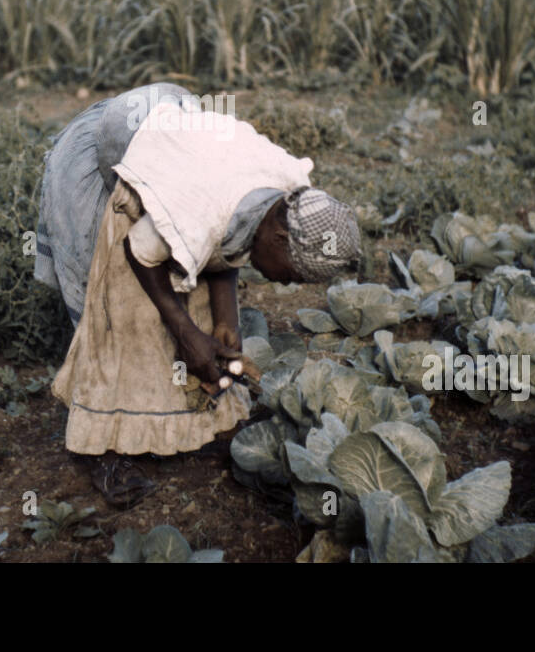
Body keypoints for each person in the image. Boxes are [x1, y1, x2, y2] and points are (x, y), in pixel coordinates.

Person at [34, 83, 361, 506]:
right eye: (293, 274)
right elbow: (142, 252)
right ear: (279, 237)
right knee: (118, 316)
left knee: (200, 310)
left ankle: (177, 421)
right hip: (111, 152)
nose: (287, 285)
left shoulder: (282, 192)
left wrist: (224, 321)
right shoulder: (203, 203)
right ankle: (103, 450)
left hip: (171, 130)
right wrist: (187, 333)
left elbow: (230, 237)